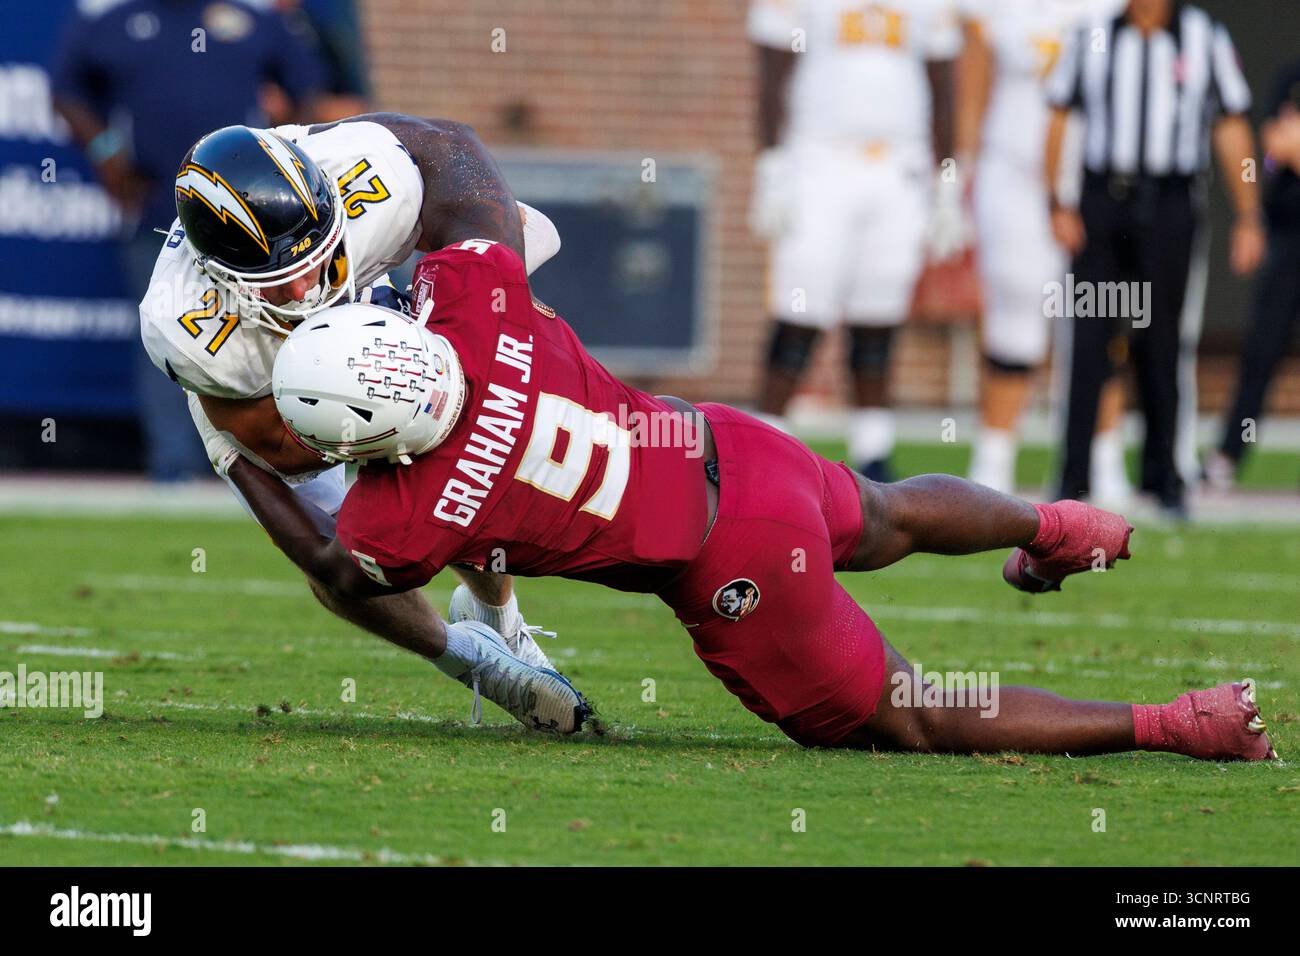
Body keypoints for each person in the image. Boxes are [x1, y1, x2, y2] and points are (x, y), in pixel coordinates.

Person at [214, 238, 1273, 761]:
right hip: (732, 442)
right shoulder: (481, 299)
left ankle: (1178, 722)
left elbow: (334, 566)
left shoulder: (408, 511)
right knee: (891, 509)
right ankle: (1057, 527)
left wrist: (236, 451)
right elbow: (466, 208)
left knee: (911, 717)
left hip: (735, 570)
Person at [139, 115, 575, 728]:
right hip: (264, 395)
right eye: (277, 280)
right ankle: (474, 661)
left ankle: (500, 619)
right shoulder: (193, 334)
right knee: (350, 562)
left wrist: (473, 312)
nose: (304, 289)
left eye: (314, 259)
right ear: (221, 275)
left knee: (466, 444)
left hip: (372, 298)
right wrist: (382, 415)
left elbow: (457, 146)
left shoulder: (376, 174)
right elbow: (290, 454)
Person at [51, 0, 328, 482]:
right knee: (169, 340)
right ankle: (174, 471)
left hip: (257, 229)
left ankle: (274, 466)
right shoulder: (114, 19)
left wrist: (290, 159)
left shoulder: (253, 18)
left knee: (272, 334)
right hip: (160, 216)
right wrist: (105, 151)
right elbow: (66, 89)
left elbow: (307, 83)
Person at [1043, 0, 1264, 518]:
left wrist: (1249, 212)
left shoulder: (1202, 34)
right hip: (1103, 201)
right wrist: (1056, 201)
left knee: (1162, 340)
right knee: (1091, 337)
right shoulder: (1094, 33)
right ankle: (1073, 477)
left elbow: (1232, 126)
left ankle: (1163, 476)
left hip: (1169, 203)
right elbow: (1057, 116)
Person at [747, 0, 962, 481]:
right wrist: (772, 165)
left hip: (898, 162)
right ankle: (762, 442)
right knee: (801, 305)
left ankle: (873, 451)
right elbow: (771, 69)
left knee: (879, 310)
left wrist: (948, 179)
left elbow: (943, 82)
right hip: (819, 158)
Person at [956, 0, 1132, 501]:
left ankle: (1104, 456)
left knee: (1104, 315)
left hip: (1096, 179)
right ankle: (993, 458)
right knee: (1014, 314)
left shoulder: (1111, 10)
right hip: (1013, 174)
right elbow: (973, 89)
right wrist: (959, 174)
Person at [1208, 56, 1300, 489]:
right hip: (1288, 234)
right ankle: (1228, 454)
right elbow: (1270, 153)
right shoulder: (1289, 78)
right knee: (1262, 349)